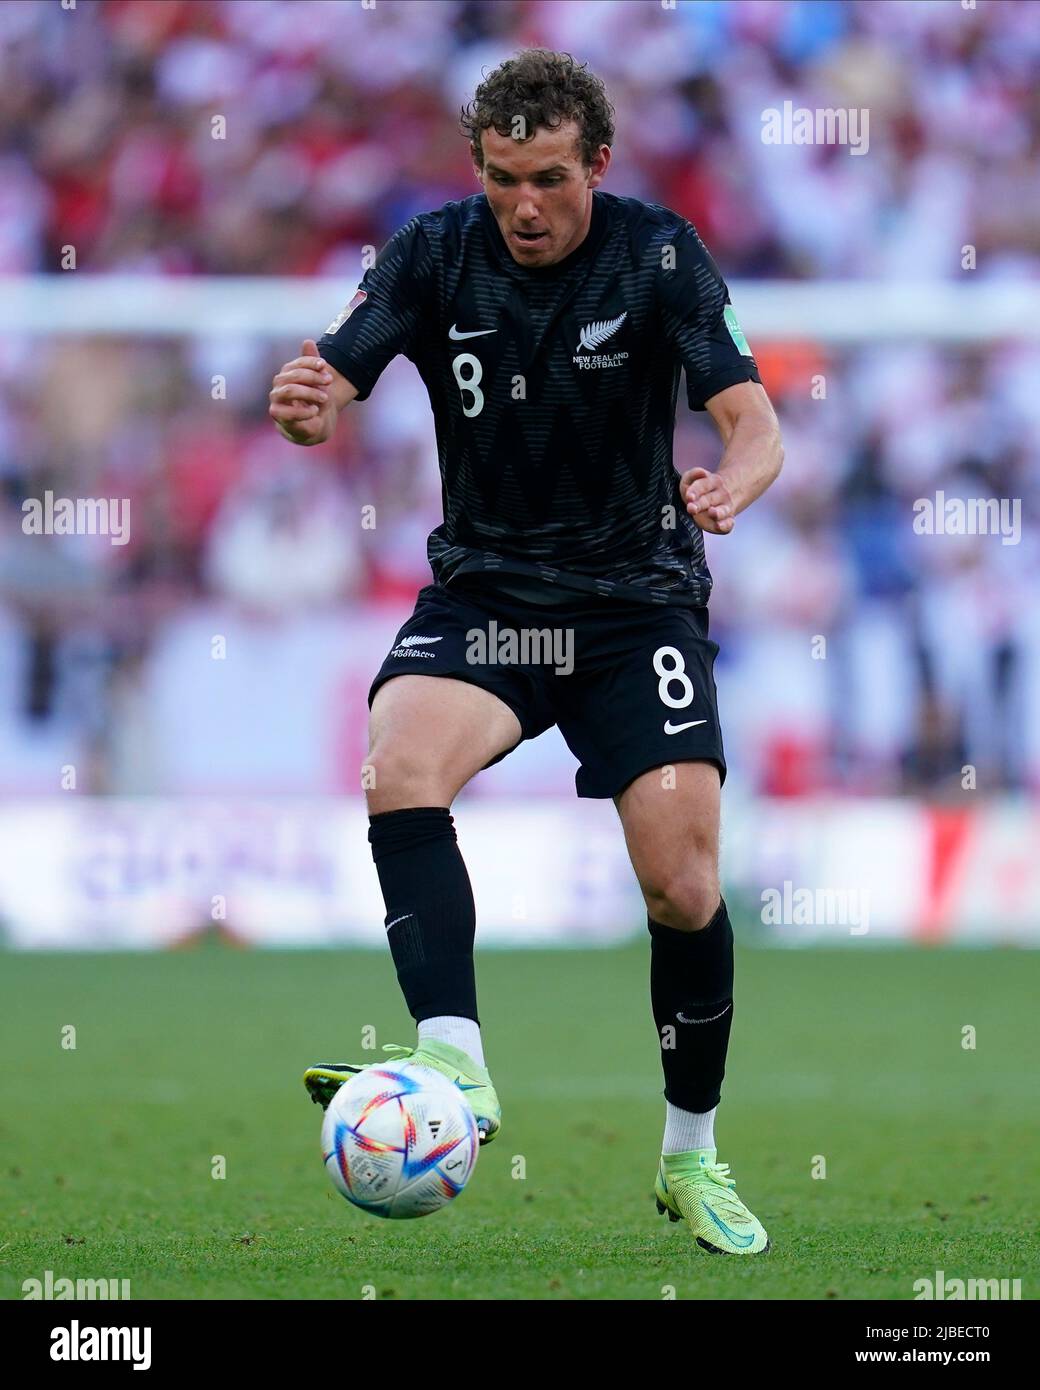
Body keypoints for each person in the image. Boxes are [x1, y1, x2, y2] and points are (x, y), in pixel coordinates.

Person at [268, 49, 782, 1255]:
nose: (526, 206)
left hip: (633, 605)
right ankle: (457, 1063)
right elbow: (327, 381)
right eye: (503, 180)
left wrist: (733, 487)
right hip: (489, 595)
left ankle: (688, 1158)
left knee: (684, 887)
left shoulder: (658, 252)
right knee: (399, 765)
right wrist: (306, 406)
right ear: (480, 171)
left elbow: (752, 423)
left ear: (595, 164)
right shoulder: (432, 252)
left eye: (549, 178)